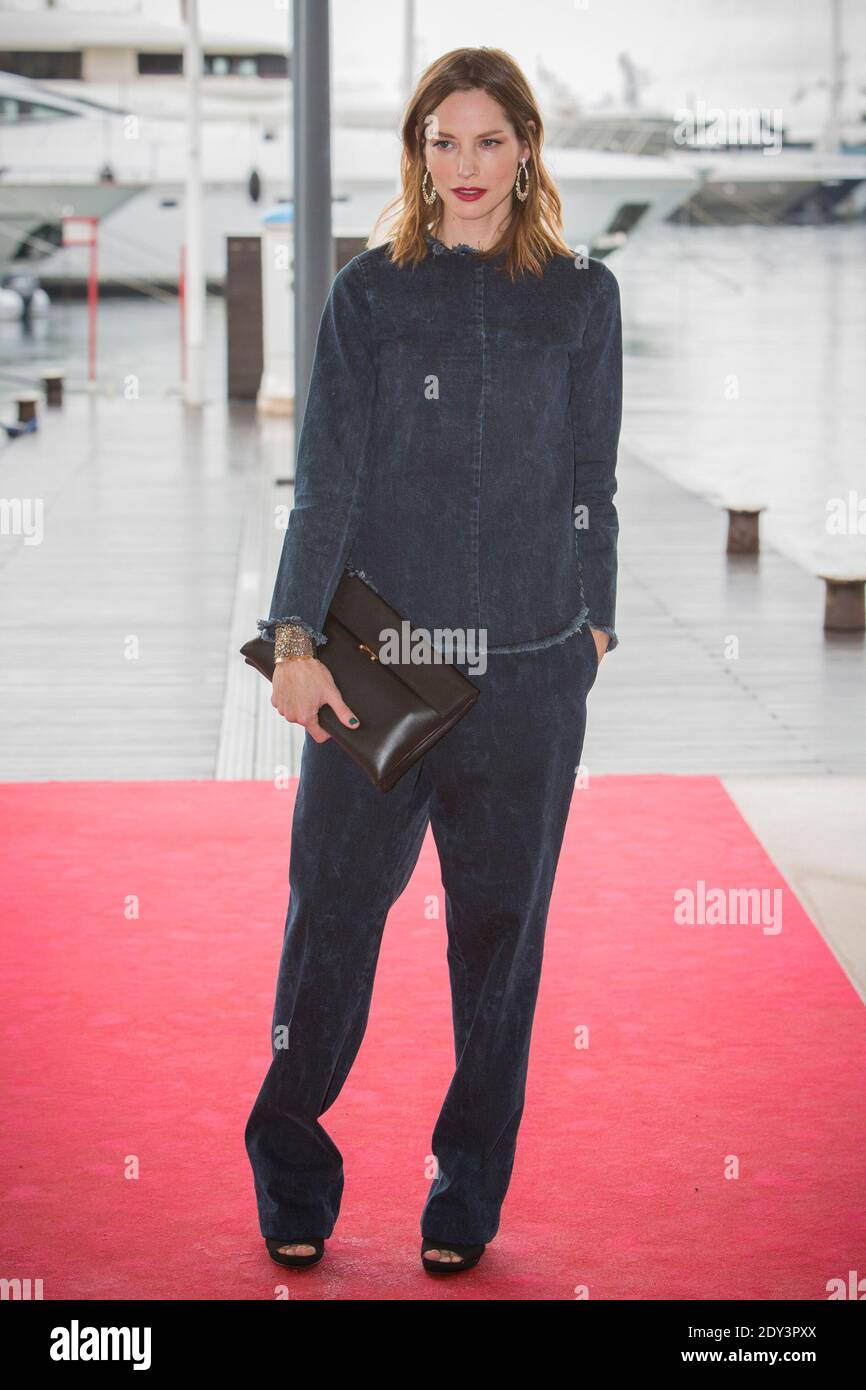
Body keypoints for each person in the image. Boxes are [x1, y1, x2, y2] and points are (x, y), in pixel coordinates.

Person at [244, 46, 622, 1277]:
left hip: (528, 667)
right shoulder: (367, 295)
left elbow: (589, 482)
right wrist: (294, 640)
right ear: (416, 153)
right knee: (331, 927)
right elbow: (327, 485)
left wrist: (595, 617)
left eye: (487, 141)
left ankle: (463, 1202)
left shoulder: (579, 297)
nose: (463, 167)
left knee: (499, 950)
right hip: (382, 662)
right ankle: (290, 1165)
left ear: (525, 150)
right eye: (440, 142)